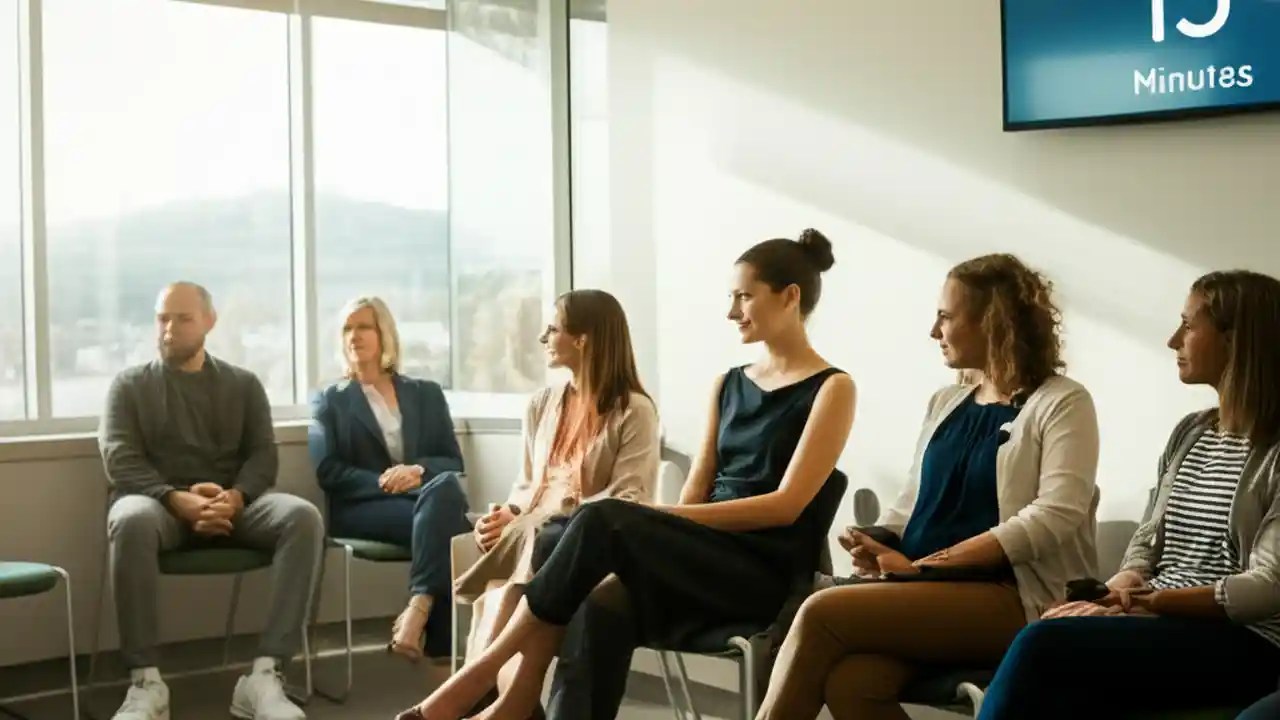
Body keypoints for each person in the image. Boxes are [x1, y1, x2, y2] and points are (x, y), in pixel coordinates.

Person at [395, 228, 857, 720]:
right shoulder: (728, 384)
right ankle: (513, 699)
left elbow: (786, 506)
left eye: (744, 297)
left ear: (790, 297)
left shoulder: (832, 388)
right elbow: (699, 489)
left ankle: (483, 685)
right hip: (702, 556)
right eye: (731, 297)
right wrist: (666, 522)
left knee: (601, 519)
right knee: (593, 596)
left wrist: (660, 517)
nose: (731, 311)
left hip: (764, 570)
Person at [756, 253, 1101, 720]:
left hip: (1015, 598)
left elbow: (1055, 514)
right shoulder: (947, 401)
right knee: (852, 683)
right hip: (926, 589)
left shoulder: (1062, 402)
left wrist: (929, 566)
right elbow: (911, 502)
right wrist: (879, 538)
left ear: (991, 323)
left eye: (945, 316)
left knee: (821, 610)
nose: (933, 331)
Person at [977, 270, 1280, 720]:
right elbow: (1148, 540)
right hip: (1161, 617)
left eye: (1189, 325)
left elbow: (1267, 589)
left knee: (1041, 645)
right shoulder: (1192, 431)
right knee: (1059, 646)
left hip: (1245, 639)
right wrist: (1117, 590)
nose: (1173, 339)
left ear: (1236, 339)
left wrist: (1149, 604)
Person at [100, 282, 323, 720]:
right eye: (162, 318)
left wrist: (235, 497)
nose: (168, 330)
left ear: (209, 322)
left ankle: (265, 676)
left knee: (302, 517)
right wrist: (174, 497)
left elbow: (263, 456)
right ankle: (146, 684)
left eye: (182, 319)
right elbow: (119, 458)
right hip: (158, 508)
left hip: (232, 507)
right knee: (129, 519)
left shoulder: (243, 385)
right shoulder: (128, 386)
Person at [452, 288, 660, 680]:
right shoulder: (541, 404)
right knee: (498, 596)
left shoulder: (635, 410)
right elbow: (527, 484)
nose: (542, 339)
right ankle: (482, 700)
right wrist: (506, 514)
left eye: (551, 329)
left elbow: (629, 499)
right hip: (534, 536)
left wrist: (555, 512)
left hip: (584, 546)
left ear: (582, 340)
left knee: (504, 592)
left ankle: (468, 695)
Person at [308, 296, 471, 661]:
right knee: (451, 524)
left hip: (423, 501)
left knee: (442, 487)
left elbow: (451, 460)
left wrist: (416, 472)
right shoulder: (329, 400)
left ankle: (419, 607)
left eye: (364, 327)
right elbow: (328, 470)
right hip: (362, 509)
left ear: (384, 333)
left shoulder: (425, 393)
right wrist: (387, 481)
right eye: (347, 329)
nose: (355, 336)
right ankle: (440, 645)